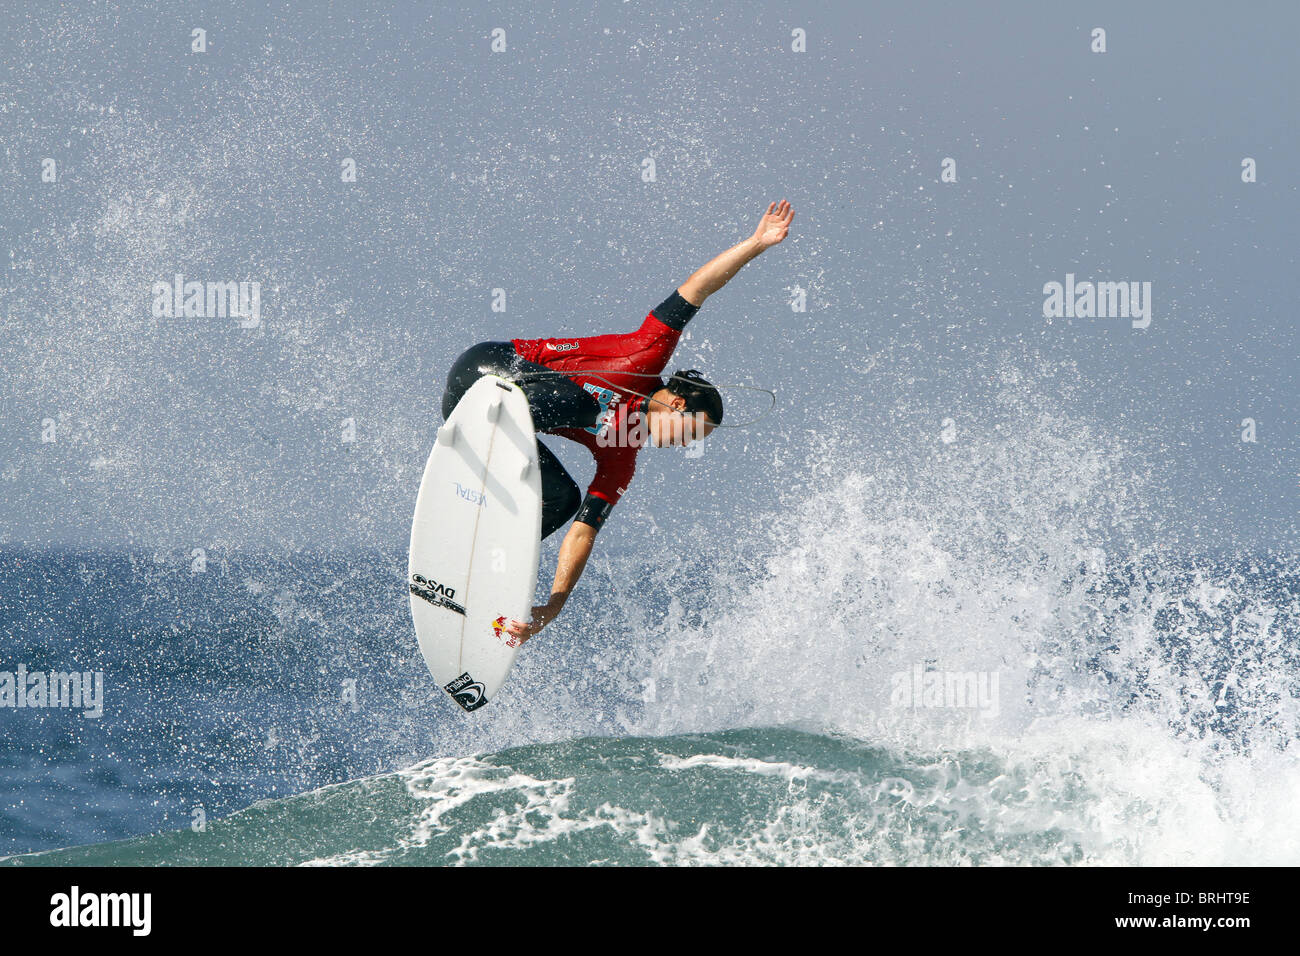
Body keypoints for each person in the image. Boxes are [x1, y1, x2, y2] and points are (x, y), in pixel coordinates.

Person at [439, 199, 795, 643]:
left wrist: (554, 605)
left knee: (563, 501)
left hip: (497, 428)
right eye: (689, 435)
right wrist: (756, 244)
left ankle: (478, 566)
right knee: (591, 409)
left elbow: (583, 531)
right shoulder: (645, 356)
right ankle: (493, 434)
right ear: (680, 406)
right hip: (487, 371)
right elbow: (697, 290)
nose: (683, 446)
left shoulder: (622, 454)